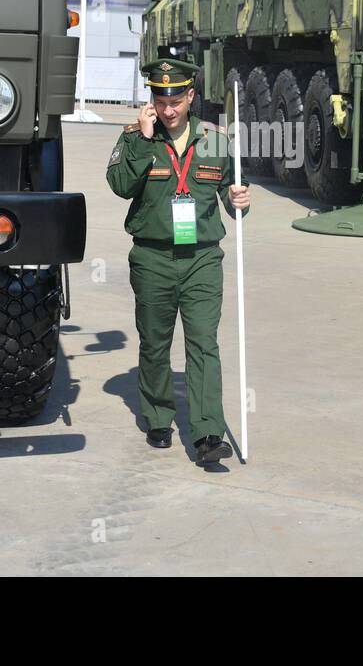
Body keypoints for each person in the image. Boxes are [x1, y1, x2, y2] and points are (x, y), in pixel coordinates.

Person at [106, 58, 250, 464]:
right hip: (152, 258)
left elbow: (230, 197)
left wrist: (240, 202)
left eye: (176, 100)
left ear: (190, 96)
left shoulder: (218, 142)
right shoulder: (136, 138)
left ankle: (207, 434)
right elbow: (119, 185)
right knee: (155, 343)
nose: (168, 109)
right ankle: (157, 415)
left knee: (204, 343)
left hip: (203, 259)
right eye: (160, 99)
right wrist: (143, 140)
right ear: (152, 99)